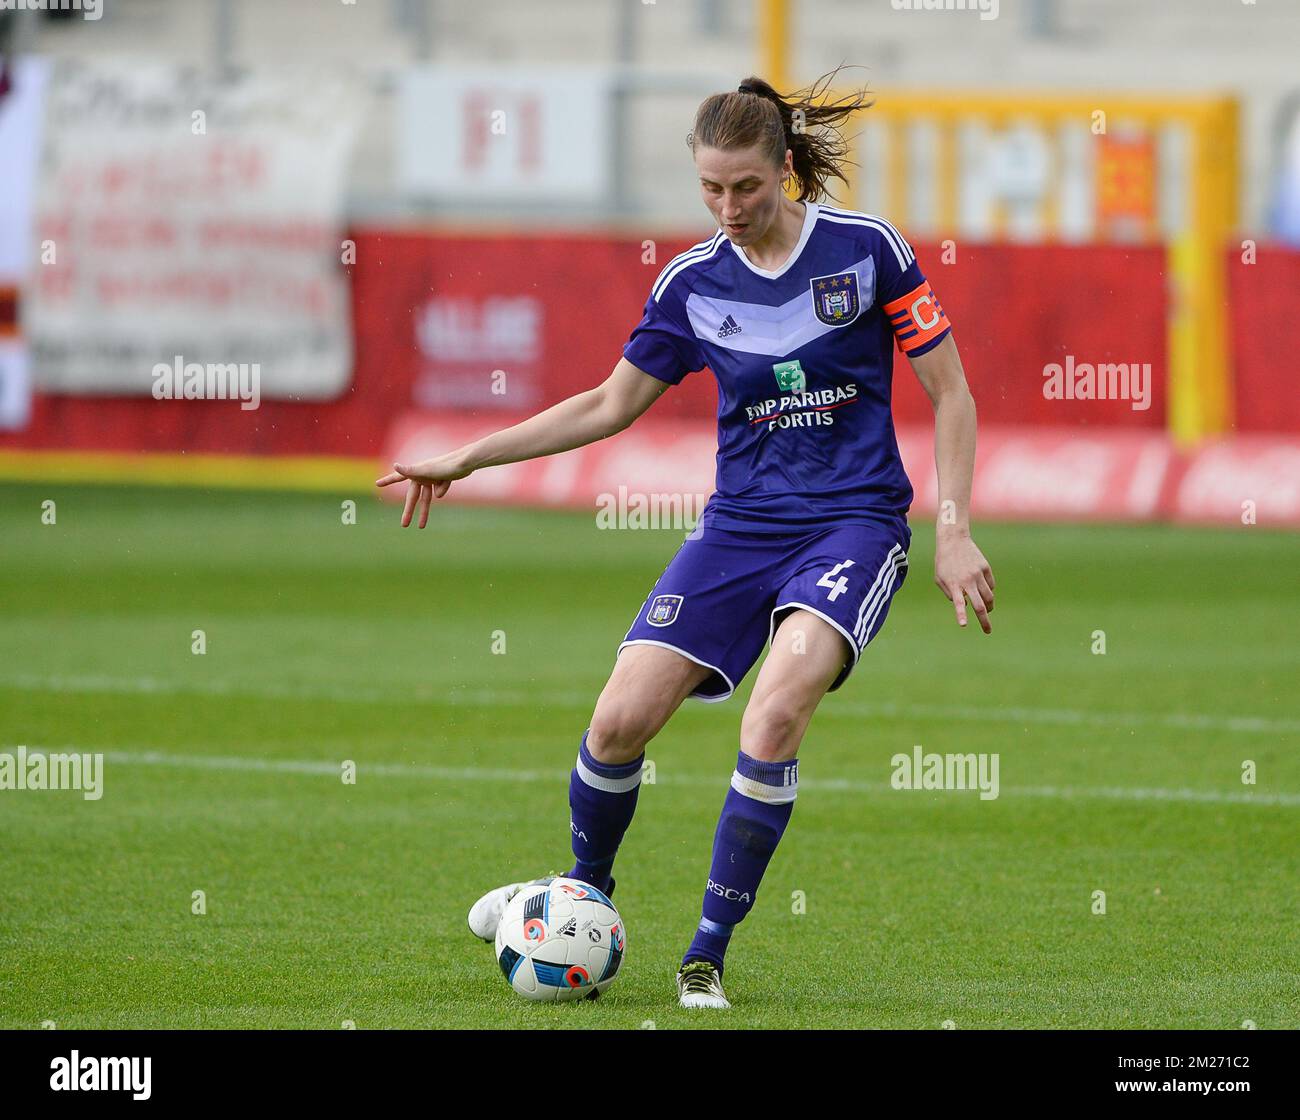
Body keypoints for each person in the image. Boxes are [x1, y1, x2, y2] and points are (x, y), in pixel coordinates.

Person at [376, 68, 995, 1010]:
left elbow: (952, 392)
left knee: (775, 711)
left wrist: (952, 530)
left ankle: (706, 952)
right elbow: (607, 404)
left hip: (855, 524)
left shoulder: (868, 252)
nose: (729, 206)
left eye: (746, 186)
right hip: (740, 527)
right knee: (618, 722)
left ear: (785, 169)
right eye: (710, 188)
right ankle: (584, 893)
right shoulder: (692, 283)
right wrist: (465, 458)